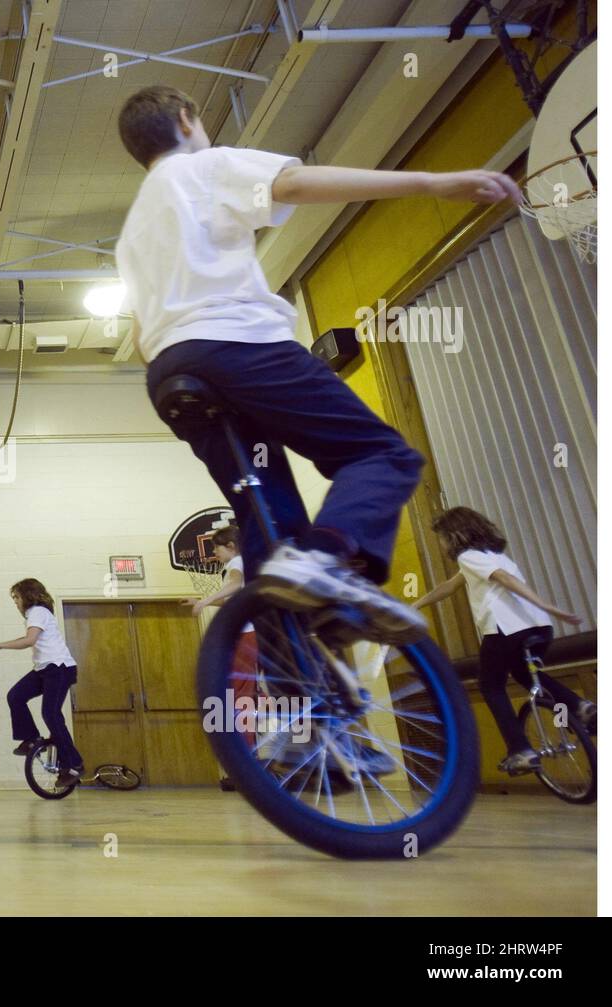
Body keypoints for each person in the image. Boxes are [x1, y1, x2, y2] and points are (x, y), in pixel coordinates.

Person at [114, 84, 523, 643]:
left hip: (169, 374)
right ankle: (328, 558)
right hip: (237, 346)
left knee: (266, 519)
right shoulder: (203, 166)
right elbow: (296, 183)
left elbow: (140, 335)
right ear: (187, 121)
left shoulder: (133, 231)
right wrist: (433, 182)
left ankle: (296, 706)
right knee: (382, 454)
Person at [414, 506, 591, 773]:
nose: (441, 543)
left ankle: (520, 751)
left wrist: (549, 605)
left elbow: (504, 580)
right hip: (540, 629)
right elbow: (449, 586)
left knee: (491, 686)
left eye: (441, 537)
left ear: (455, 535)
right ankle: (580, 707)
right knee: (523, 673)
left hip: (507, 629)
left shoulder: (468, 556)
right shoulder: (495, 556)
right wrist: (416, 604)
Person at [0, 577, 83, 789]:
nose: (15, 602)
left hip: (59, 668)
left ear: (28, 595)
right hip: (44, 669)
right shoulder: (35, 615)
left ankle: (74, 764)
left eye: (16, 597)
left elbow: (29, 640)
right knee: (15, 696)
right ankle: (31, 738)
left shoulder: (38, 612)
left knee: (50, 714)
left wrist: (1, 645)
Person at [185, 526, 256, 746]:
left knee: (239, 694)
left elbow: (234, 584)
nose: (214, 552)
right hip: (248, 634)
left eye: (216, 547)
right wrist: (202, 602)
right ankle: (247, 752)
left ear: (231, 546)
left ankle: (246, 755)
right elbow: (230, 599)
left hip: (247, 634)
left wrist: (205, 601)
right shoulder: (242, 565)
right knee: (240, 692)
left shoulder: (237, 563)